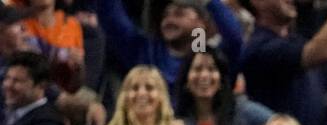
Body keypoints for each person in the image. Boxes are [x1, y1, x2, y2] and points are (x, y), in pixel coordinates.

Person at [95, 0, 244, 88]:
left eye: (179, 14)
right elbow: (111, 16)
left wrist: (208, 2)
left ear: (201, 24)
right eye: (165, 16)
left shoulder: (211, 59)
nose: (169, 20)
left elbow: (234, 38)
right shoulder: (144, 51)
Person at [22, 0, 84, 92]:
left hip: (64, 87)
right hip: (32, 86)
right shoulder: (20, 24)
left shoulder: (72, 24)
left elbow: (78, 69)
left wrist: (77, 64)